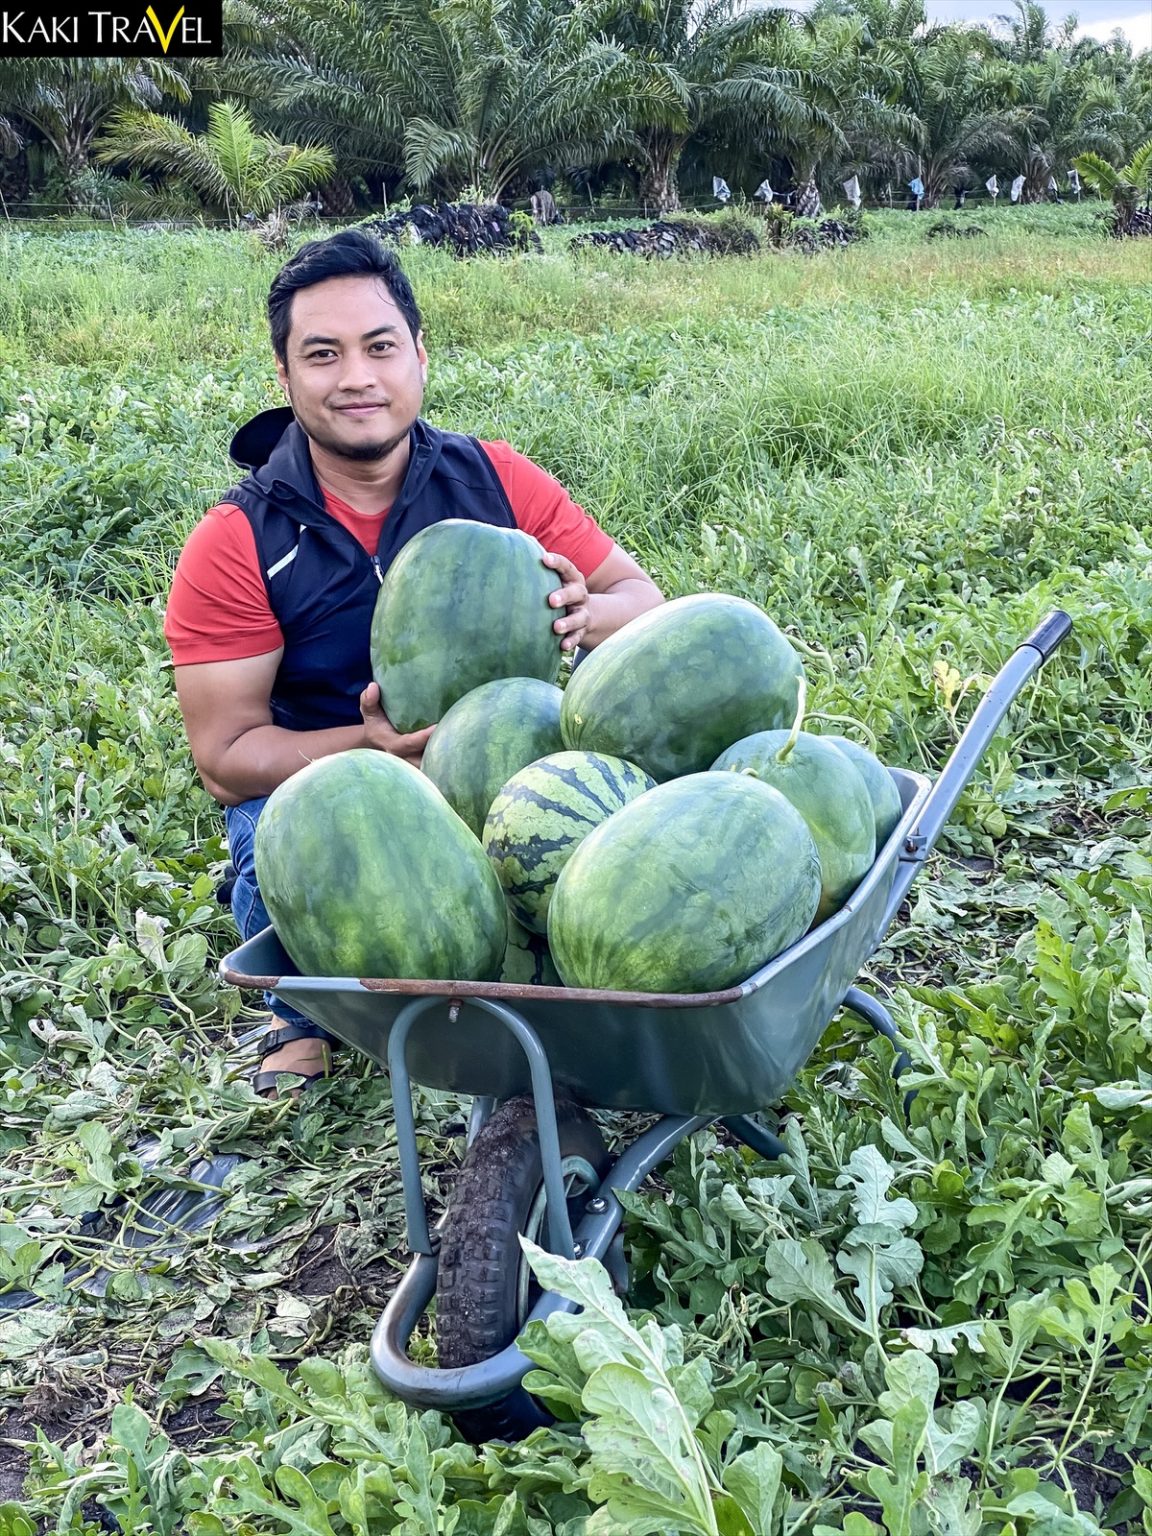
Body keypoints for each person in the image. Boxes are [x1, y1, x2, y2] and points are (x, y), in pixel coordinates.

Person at [164, 228, 664, 1094]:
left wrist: (589, 612)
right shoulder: (237, 539)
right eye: (323, 354)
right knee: (284, 829)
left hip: (510, 762)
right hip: (336, 783)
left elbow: (642, 601)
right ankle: (301, 1016)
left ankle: (565, 968)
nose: (357, 376)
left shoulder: (496, 481)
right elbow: (225, 758)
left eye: (380, 346)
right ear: (285, 377)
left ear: (419, 356)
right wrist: (369, 749)